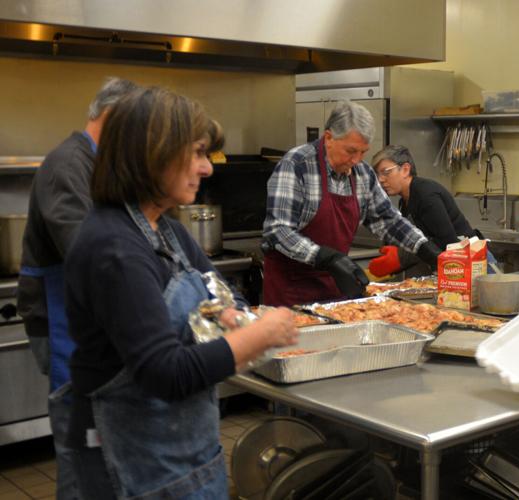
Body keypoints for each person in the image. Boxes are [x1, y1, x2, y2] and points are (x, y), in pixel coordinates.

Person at [64, 87, 298, 499]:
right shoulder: (116, 247)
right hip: (135, 463)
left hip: (186, 457)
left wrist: (231, 316)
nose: (207, 169)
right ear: (151, 154)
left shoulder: (166, 229)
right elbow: (165, 373)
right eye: (197, 153)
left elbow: (222, 293)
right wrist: (257, 335)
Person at [16, 76, 138, 500]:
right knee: (78, 444)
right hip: (64, 319)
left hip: (92, 322)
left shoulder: (105, 165)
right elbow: (88, 252)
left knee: (100, 441)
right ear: (113, 118)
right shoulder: (67, 165)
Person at [262, 101, 441, 305]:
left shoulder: (362, 174)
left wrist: (423, 247)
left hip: (335, 289)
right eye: (351, 151)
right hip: (291, 291)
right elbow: (278, 231)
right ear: (329, 138)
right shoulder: (296, 165)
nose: (357, 160)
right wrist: (324, 257)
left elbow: (388, 220)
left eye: (363, 152)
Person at [367, 144, 497, 277]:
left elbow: (448, 243)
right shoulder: (405, 201)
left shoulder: (425, 195)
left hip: (474, 263)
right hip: (453, 267)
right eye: (377, 174)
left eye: (386, 172)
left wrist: (402, 257)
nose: (381, 179)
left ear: (405, 169)